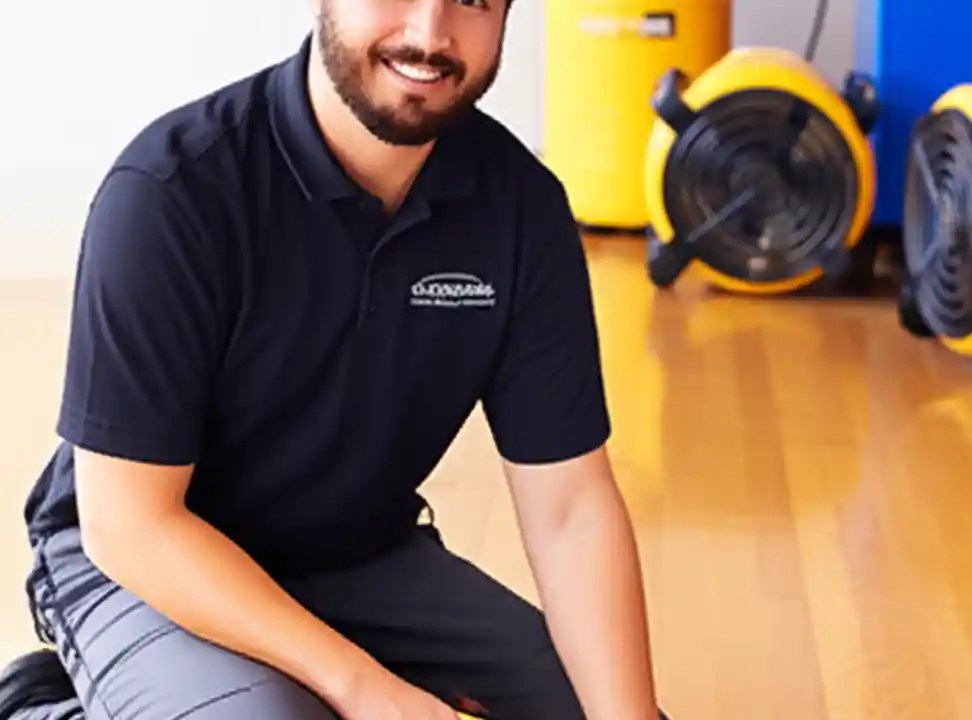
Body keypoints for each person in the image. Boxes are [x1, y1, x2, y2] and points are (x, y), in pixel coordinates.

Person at [0, 0, 670, 718]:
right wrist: (368, 690)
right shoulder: (171, 190)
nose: (429, 33)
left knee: (598, 697)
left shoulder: (522, 208)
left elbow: (569, 506)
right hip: (145, 565)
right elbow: (128, 525)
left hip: (357, 554)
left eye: (472, 0)